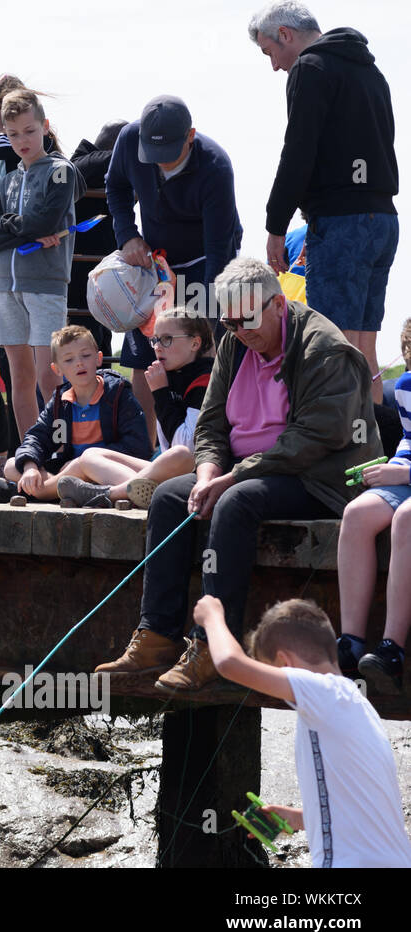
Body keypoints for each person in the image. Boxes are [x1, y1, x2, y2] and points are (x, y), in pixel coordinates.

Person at [95, 258, 381, 693]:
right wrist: (208, 468)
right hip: (245, 470)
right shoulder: (234, 339)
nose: (241, 329)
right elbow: (210, 423)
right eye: (229, 321)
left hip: (317, 476)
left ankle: (212, 646)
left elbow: (315, 437)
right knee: (172, 495)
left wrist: (230, 478)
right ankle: (156, 633)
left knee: (236, 500)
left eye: (248, 318)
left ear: (278, 305)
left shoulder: (324, 350)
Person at [196, 595, 411, 868]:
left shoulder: (321, 691)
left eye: (273, 676)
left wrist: (211, 616)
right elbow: (366, 809)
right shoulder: (358, 706)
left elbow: (229, 663)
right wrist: (302, 817)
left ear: (286, 665)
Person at [250, 2, 398, 389]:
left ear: (285, 34)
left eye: (270, 52)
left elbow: (298, 152)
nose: (274, 65)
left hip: (341, 222)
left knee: (333, 347)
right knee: (364, 346)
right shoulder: (371, 71)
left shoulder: (310, 68)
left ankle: (345, 447)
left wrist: (275, 225)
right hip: (383, 218)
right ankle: (372, 440)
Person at [105, 95, 243, 447]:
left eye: (170, 155)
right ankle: (144, 451)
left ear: (190, 136)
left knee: (201, 353)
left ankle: (205, 447)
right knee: (144, 356)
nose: (162, 165)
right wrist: (127, 235)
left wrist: (210, 326)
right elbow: (116, 186)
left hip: (205, 261)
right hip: (153, 263)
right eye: (154, 157)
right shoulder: (128, 140)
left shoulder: (216, 167)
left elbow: (218, 254)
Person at [0, 89, 84, 442]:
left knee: (49, 376)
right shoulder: (6, 180)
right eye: (13, 134)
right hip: (3, 286)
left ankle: (58, 451)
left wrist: (11, 227)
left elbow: (45, 221)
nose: (22, 140)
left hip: (45, 283)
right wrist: (20, 228)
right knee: (18, 378)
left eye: (29, 130)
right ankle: (29, 454)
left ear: (45, 127)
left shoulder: (60, 171)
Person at [0, 73, 55, 477]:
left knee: (29, 366)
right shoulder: (11, 149)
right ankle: (6, 445)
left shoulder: (20, 146)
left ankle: (30, 449)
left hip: (25, 270)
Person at [56, 307, 212, 508]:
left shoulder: (204, 379)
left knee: (179, 454)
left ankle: (109, 493)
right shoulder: (171, 375)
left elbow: (188, 449)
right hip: (171, 470)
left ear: (195, 343)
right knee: (91, 455)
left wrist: (161, 394)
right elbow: (167, 448)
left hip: (198, 472)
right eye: (155, 340)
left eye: (167, 339)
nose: (157, 347)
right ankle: (141, 491)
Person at [0, 324, 148, 503]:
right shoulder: (61, 401)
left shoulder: (117, 394)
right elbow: (38, 437)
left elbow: (136, 445)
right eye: (68, 360)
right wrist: (30, 467)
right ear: (57, 369)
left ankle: (34, 494)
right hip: (68, 471)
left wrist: (86, 462)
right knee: (11, 465)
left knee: (83, 462)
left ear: (99, 358)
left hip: (106, 469)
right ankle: (61, 490)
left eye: (86, 355)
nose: (79, 363)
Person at [334, 317, 411, 691]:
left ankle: (392, 648)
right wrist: (391, 467)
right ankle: (350, 642)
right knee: (358, 513)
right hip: (407, 478)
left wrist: (404, 475)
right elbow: (408, 444)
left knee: (408, 518)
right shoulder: (406, 388)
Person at [69, 120, 128, 357]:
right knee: (85, 346)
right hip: (80, 277)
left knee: (100, 344)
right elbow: (80, 167)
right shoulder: (85, 164)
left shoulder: (104, 167)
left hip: (101, 278)